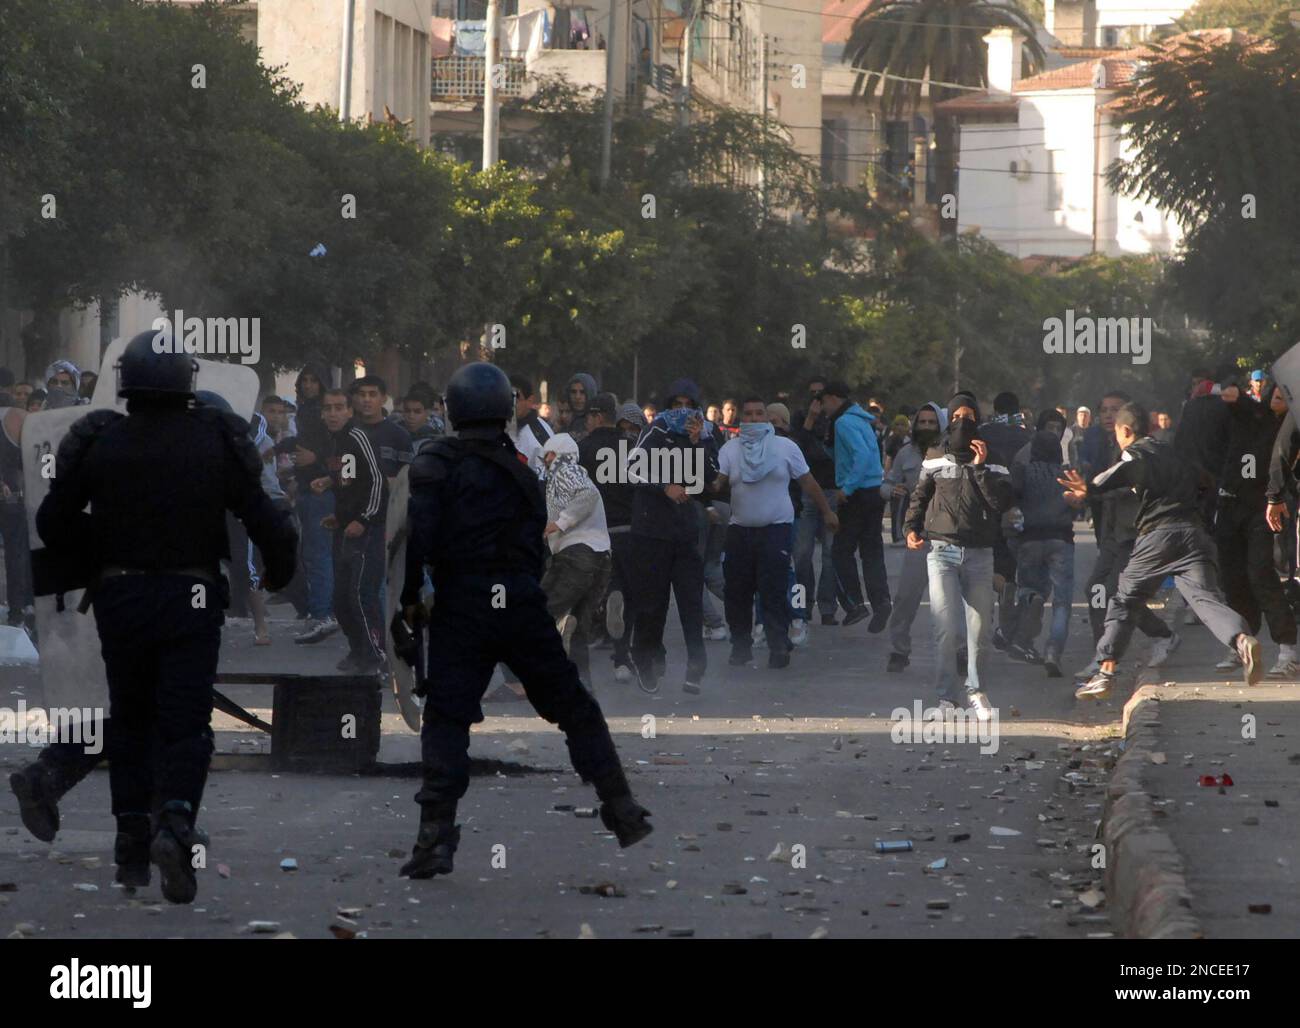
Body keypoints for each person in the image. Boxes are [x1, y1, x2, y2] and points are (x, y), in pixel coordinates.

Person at [34, 329, 296, 902]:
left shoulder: (102, 442)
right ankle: (175, 824)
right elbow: (262, 515)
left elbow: (53, 524)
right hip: (191, 596)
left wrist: (103, 540)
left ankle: (130, 848)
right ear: (187, 380)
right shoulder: (215, 440)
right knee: (184, 721)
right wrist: (279, 573)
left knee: (131, 719)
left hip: (121, 597)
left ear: (126, 381)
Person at [397, 362, 652, 878]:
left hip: (462, 604)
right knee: (575, 707)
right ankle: (621, 807)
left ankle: (434, 838)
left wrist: (409, 604)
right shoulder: (520, 469)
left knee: (446, 719)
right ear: (505, 411)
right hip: (516, 600)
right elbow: (536, 537)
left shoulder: (434, 465)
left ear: (451, 410)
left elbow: (416, 542)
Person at [1064, 402, 1263, 699]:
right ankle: (1242, 640)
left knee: (1124, 599)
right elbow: (1205, 483)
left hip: (1158, 535)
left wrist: (1090, 488)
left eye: (1119, 434)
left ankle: (1105, 672)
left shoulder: (1137, 451)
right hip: (1194, 534)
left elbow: (1127, 468)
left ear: (1127, 430)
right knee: (1203, 598)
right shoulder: (1175, 453)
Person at [905, 400, 1013, 721]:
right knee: (946, 628)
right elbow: (920, 495)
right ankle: (946, 699)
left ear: (978, 420)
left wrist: (980, 467)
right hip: (942, 552)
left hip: (980, 553)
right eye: (955, 417)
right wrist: (911, 527)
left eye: (968, 417)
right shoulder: (935, 455)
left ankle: (975, 691)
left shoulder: (994, 458)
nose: (962, 422)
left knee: (979, 630)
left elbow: (1000, 503)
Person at [713, 398, 837, 670]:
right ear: (742, 419)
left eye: (760, 414)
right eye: (749, 414)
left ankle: (778, 644)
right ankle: (741, 645)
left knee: (773, 590)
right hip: (740, 530)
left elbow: (809, 482)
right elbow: (717, 482)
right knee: (737, 592)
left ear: (767, 420)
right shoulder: (730, 450)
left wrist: (827, 511)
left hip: (776, 529)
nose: (755, 418)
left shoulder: (785, 448)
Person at [627, 378, 719, 695]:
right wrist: (664, 487)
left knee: (691, 601)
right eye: (676, 405)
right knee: (652, 604)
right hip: (651, 531)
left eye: (688, 405)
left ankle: (696, 666)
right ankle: (647, 657)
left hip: (685, 532)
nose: (682, 411)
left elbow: (709, 480)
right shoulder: (657, 430)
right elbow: (632, 469)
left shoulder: (705, 434)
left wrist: (697, 443)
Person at [1213, 385, 1297, 676]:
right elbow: (1236, 403)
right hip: (1230, 504)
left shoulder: (1291, 428)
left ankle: (1288, 648)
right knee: (1232, 577)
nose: (1280, 394)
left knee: (1260, 571)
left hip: (1265, 507)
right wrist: (1233, 391)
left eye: (1288, 393)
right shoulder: (1252, 413)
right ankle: (1241, 643)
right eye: (1278, 388)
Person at [311, 388, 388, 673]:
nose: (333, 413)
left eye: (338, 407)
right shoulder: (336, 443)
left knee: (362, 594)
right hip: (345, 529)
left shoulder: (357, 437)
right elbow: (350, 480)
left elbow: (378, 482)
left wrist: (364, 519)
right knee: (341, 598)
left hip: (367, 531)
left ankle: (378, 656)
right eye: (328, 408)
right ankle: (359, 651)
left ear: (348, 411)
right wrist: (336, 505)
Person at [579, 399, 644, 685]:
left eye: (588, 416)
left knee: (601, 586)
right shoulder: (631, 447)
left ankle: (606, 605)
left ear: (597, 416)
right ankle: (621, 659)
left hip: (595, 532)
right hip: (629, 530)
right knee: (631, 594)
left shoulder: (582, 449)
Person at [539, 433, 612, 680]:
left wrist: (560, 523)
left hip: (576, 555)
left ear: (557, 454)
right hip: (600, 559)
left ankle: (560, 626)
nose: (545, 460)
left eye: (548, 455)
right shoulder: (568, 473)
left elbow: (587, 495)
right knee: (579, 628)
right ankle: (582, 686)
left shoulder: (567, 470)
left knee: (541, 611)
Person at [880, 402, 945, 671]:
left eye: (932, 423)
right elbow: (886, 484)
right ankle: (898, 650)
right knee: (906, 597)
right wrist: (890, 491)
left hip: (948, 536)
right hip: (916, 536)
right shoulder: (905, 454)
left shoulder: (951, 454)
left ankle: (960, 653)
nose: (927, 427)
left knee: (949, 603)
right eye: (923, 422)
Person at [820, 381, 890, 630]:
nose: (822, 408)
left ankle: (853, 604)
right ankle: (881, 602)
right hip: (873, 491)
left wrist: (846, 488)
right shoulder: (862, 419)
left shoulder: (843, 422)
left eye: (823, 401)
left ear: (832, 398)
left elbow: (859, 455)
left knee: (840, 552)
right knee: (871, 552)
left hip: (856, 495)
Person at [1007, 429, 1075, 675]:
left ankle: (1031, 599)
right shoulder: (1066, 474)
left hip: (1030, 539)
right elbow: (1076, 504)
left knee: (1028, 585)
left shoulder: (1023, 472)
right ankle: (1053, 652)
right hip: (1061, 540)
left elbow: (1011, 498)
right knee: (1062, 602)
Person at [290, 361, 340, 644]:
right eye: (304, 380)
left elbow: (341, 457)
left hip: (323, 491)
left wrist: (316, 461)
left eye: (314, 380)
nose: (309, 385)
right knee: (318, 555)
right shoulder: (307, 411)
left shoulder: (325, 414)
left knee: (319, 555)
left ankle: (322, 614)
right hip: (309, 490)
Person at [791, 379, 841, 626]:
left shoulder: (837, 420)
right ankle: (803, 604)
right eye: (813, 394)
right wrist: (810, 419)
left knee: (831, 555)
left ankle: (828, 607)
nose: (817, 399)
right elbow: (796, 448)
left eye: (822, 395)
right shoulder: (801, 417)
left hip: (832, 489)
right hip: (808, 491)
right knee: (801, 554)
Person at [509, 374, 555, 474]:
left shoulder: (540, 434)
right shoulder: (499, 428)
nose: (511, 403)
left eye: (516, 398)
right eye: (508, 397)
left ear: (529, 401)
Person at [565, 372, 599, 441]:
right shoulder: (564, 422)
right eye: (573, 392)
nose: (577, 397)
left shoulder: (600, 422)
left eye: (582, 392)